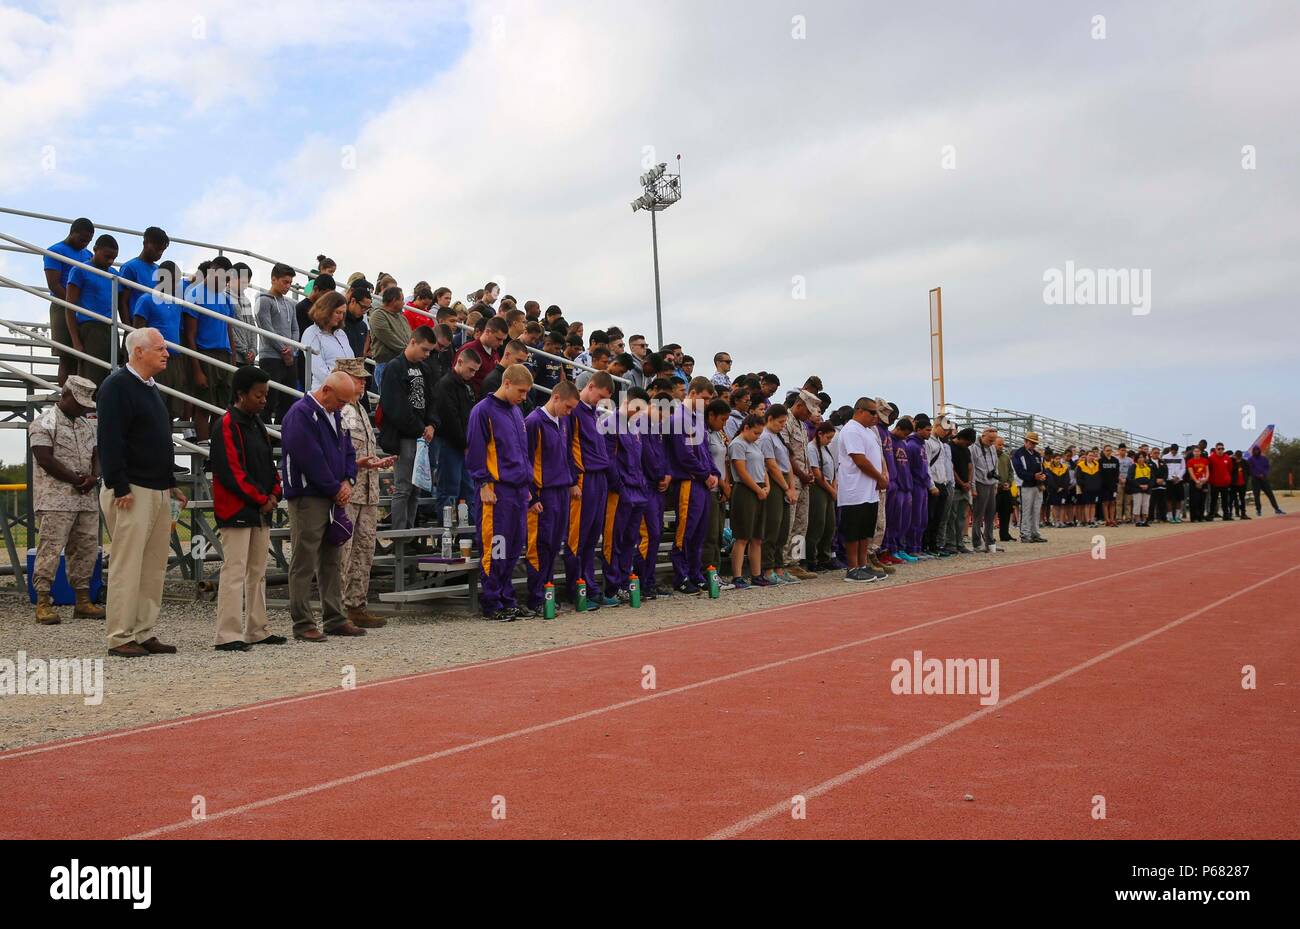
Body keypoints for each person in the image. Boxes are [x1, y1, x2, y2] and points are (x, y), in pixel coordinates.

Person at [97, 328, 187, 657]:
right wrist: (119, 484)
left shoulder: (151, 389)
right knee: (127, 564)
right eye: (160, 349)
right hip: (131, 489)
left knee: (153, 566)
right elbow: (110, 439)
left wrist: (170, 483)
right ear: (138, 352)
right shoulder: (117, 386)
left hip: (157, 488)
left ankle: (143, 629)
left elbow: (156, 442)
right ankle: (120, 636)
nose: (167, 354)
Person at [281, 371, 364, 641]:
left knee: (332, 559)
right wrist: (335, 487)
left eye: (345, 403)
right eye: (340, 401)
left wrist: (349, 480)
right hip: (308, 496)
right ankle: (303, 622)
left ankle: (335, 617)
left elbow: (349, 451)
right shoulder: (300, 414)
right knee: (304, 559)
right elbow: (309, 458)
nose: (342, 407)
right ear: (326, 390)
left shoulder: (336, 414)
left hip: (331, 495)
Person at [210, 365, 284, 652]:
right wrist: (260, 497)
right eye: (258, 395)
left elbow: (269, 463)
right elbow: (231, 471)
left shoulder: (257, 424)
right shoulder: (226, 425)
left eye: (266, 395)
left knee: (258, 570)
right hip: (237, 509)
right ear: (241, 394)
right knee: (235, 570)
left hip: (260, 508)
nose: (264, 400)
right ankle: (227, 633)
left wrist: (275, 492)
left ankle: (257, 627)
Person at [28, 376, 103, 625]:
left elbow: (96, 454)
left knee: (86, 549)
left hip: (85, 499)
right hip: (55, 499)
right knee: (50, 549)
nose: (83, 408)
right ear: (66, 395)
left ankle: (82, 600)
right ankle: (43, 602)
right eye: (79, 402)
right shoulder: (44, 422)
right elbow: (44, 458)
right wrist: (76, 479)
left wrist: (94, 477)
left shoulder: (86, 424)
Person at [466, 364, 534, 621]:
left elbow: (523, 451)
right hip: (495, 490)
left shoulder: (516, 412)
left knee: (515, 546)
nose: (524, 397)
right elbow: (475, 450)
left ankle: (507, 597)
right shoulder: (482, 411)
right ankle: (492, 601)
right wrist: (483, 484)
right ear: (506, 383)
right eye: (521, 391)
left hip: (518, 490)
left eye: (527, 392)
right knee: (497, 546)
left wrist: (527, 485)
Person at [335, 358, 395, 628]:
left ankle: (356, 604)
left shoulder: (358, 408)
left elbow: (362, 450)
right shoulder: (339, 410)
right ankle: (337, 609)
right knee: (344, 553)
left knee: (364, 550)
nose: (363, 382)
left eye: (362, 379)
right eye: (358, 378)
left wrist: (377, 463)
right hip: (348, 491)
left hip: (368, 491)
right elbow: (339, 452)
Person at [563, 372, 619, 609]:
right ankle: (576, 589)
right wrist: (572, 480)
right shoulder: (573, 411)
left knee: (591, 538)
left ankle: (591, 587)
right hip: (583, 479)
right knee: (578, 538)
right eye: (600, 397)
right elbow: (566, 448)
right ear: (591, 386)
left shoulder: (593, 414)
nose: (600, 402)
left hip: (599, 479)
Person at [524, 380, 579, 615]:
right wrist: (532, 496)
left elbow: (567, 454)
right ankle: (536, 596)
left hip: (561, 490)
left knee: (555, 544)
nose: (569, 412)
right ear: (555, 398)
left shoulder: (563, 421)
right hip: (543, 493)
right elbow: (527, 460)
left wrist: (572, 481)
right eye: (567, 407)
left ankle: (547, 591)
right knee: (539, 545)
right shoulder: (534, 422)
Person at [377, 327, 439, 532]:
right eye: (424, 349)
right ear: (412, 342)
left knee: (415, 489)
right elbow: (395, 406)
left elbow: (432, 400)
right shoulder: (395, 367)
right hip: (404, 436)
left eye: (430, 351)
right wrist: (420, 428)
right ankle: (399, 534)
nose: (426, 354)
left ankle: (409, 533)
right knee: (403, 487)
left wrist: (431, 424)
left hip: (421, 436)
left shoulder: (425, 368)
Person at [665, 377, 722, 594]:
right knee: (685, 531)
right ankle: (681, 575)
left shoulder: (698, 419)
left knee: (699, 532)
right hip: (688, 482)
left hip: (701, 483)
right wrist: (705, 474)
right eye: (705, 398)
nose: (707, 403)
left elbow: (704, 451)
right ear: (693, 393)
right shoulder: (679, 417)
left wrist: (714, 472)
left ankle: (695, 573)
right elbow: (684, 455)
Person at [602, 389, 654, 601]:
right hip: (620, 492)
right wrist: (620, 487)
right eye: (638, 408)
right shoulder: (610, 425)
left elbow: (637, 460)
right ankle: (612, 587)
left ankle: (624, 581)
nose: (641, 413)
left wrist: (641, 485)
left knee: (629, 540)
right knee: (613, 540)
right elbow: (610, 460)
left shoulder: (634, 428)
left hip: (637, 490)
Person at [182, 257, 238, 442]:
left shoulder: (226, 299)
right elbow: (190, 335)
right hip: (204, 354)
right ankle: (205, 449)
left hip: (224, 356)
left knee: (222, 407)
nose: (225, 283)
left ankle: (217, 448)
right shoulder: (194, 294)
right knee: (204, 406)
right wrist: (197, 369)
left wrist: (233, 360)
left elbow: (230, 332)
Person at [835, 398, 888, 582]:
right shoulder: (851, 430)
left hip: (869, 490)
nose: (875, 416)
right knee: (853, 531)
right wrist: (879, 477)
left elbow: (877, 456)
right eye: (872, 412)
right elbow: (859, 459)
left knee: (865, 531)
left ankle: (863, 565)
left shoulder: (869, 431)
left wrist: (884, 474)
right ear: (859, 411)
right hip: (854, 490)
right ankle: (852, 568)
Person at [430, 347, 482, 525]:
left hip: (463, 445)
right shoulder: (446, 385)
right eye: (471, 370)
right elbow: (450, 419)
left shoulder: (466, 385)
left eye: (476, 371)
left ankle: (466, 532)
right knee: (449, 490)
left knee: (467, 489)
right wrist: (465, 443)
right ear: (459, 362)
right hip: (450, 444)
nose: (473, 374)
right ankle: (444, 533)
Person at [64, 234, 120, 386]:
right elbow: (69, 308)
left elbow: (120, 304)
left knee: (111, 377)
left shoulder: (115, 274)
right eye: (107, 256)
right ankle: (87, 410)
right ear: (95, 250)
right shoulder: (80, 270)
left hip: (111, 328)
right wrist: (76, 341)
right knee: (90, 380)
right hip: (89, 328)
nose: (110, 261)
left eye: (113, 258)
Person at [44, 217, 95, 385]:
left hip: (84, 310)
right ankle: (65, 397)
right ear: (72, 232)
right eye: (82, 239)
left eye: (88, 241)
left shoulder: (88, 254)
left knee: (82, 357)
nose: (84, 244)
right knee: (67, 356)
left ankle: (79, 400)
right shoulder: (55, 251)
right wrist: (72, 303)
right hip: (63, 306)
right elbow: (53, 284)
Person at [780, 390, 821, 580]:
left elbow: (803, 453)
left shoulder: (802, 425)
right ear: (799, 406)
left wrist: (809, 473)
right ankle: (784, 563)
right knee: (788, 522)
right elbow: (786, 454)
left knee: (801, 524)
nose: (809, 416)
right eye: (807, 411)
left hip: (804, 479)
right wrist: (802, 474)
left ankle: (795, 562)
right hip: (792, 479)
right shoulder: (786, 421)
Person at [255, 262, 301, 424]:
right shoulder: (263, 301)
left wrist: (292, 350)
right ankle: (265, 437)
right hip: (271, 358)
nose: (288, 286)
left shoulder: (290, 304)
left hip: (289, 358)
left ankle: (280, 438)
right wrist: (285, 351)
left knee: (288, 401)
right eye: (285, 282)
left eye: (290, 282)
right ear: (274, 279)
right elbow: (266, 330)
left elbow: (296, 329)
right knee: (269, 400)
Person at [759, 404, 799, 585]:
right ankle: (767, 568)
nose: (783, 425)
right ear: (770, 419)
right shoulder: (765, 437)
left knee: (783, 528)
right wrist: (786, 488)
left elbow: (787, 464)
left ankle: (779, 566)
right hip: (775, 483)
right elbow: (772, 466)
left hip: (785, 481)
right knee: (773, 526)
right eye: (780, 422)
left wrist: (792, 487)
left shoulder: (777, 437)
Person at [116, 227, 169, 338]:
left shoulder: (160, 270)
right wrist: (129, 330)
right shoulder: (130, 267)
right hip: (137, 326)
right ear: (145, 243)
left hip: (156, 329)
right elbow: (122, 301)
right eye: (157, 249)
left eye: (162, 250)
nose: (160, 253)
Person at [702, 398, 732, 580]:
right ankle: (708, 572)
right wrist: (722, 484)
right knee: (710, 534)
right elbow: (708, 462)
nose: (723, 424)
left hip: (721, 488)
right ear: (711, 415)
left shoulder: (719, 434)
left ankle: (716, 572)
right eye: (722, 419)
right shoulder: (704, 434)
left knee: (719, 534)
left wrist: (726, 483)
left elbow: (724, 461)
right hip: (711, 488)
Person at [302, 292, 354, 393]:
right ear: (326, 311)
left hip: (344, 391)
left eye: (343, 313)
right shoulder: (311, 333)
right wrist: (343, 384)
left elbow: (351, 361)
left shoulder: (341, 333)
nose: (341, 317)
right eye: (338, 312)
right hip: (325, 392)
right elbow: (319, 370)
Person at [806, 421, 839, 572]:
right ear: (819, 434)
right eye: (828, 437)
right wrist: (830, 489)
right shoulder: (812, 448)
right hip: (819, 489)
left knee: (829, 525)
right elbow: (817, 474)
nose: (829, 441)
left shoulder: (825, 449)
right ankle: (812, 558)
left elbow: (832, 470)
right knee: (817, 524)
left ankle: (824, 556)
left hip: (829, 488)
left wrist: (833, 486)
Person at [882, 416, 915, 561]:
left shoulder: (903, 443)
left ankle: (901, 548)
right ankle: (891, 549)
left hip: (906, 486)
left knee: (905, 521)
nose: (906, 437)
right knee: (893, 521)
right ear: (899, 428)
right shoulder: (888, 440)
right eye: (905, 434)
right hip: (896, 485)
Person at [367, 286, 412, 391]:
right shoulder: (378, 315)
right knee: (389, 403)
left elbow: (410, 337)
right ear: (393, 300)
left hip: (403, 364)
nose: (403, 303)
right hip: (386, 365)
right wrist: (410, 352)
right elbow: (390, 339)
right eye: (401, 299)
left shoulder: (402, 317)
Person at [904, 415, 936, 558]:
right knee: (915, 518)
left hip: (923, 486)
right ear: (919, 430)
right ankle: (912, 548)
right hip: (915, 486)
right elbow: (909, 468)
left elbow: (925, 467)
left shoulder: (921, 445)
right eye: (927, 430)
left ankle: (918, 547)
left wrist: (929, 484)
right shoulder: (911, 446)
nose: (929, 433)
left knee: (923, 519)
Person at [456, 316, 508, 398]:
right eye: (498, 339)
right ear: (487, 332)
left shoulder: (495, 353)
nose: (501, 343)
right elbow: (457, 378)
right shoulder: (468, 349)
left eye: (503, 340)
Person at [1011, 431, 1047, 542]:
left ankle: (1035, 533)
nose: (1033, 445)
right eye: (1031, 442)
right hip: (1025, 485)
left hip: (1037, 486)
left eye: (1035, 443)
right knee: (1026, 511)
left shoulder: (1037, 455)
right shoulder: (1018, 454)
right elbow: (1019, 471)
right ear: (1025, 441)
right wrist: (1033, 476)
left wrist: (1043, 476)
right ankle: (1025, 534)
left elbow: (1042, 468)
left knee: (1036, 510)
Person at [970, 428, 1001, 553]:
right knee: (978, 514)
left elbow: (995, 466)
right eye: (990, 440)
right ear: (982, 436)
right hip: (979, 483)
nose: (991, 442)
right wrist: (973, 488)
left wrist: (996, 484)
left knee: (991, 514)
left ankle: (990, 541)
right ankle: (977, 543)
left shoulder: (992, 448)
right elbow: (971, 469)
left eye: (993, 440)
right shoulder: (973, 448)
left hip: (991, 483)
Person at [944, 428, 975, 554]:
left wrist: (968, 482)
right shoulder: (949, 447)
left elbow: (970, 466)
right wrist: (962, 483)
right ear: (961, 438)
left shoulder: (966, 450)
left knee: (962, 517)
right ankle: (951, 543)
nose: (967, 446)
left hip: (964, 487)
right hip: (955, 487)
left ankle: (960, 542)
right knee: (952, 516)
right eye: (967, 443)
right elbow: (951, 468)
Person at [227, 262, 258, 367]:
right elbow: (229, 328)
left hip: (249, 358)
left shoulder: (247, 301)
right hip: (235, 356)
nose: (246, 286)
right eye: (244, 282)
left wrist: (253, 350)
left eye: (248, 282)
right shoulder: (224, 298)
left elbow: (252, 326)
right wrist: (244, 351)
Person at [1248, 444, 1285, 516]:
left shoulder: (1264, 458)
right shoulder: (1250, 459)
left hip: (1264, 479)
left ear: (1259, 450)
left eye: (1257, 450)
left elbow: (1267, 467)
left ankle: (1276, 509)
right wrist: (1257, 475)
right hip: (1255, 479)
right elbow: (1250, 469)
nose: (1256, 451)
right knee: (1257, 495)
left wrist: (1264, 474)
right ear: (1253, 451)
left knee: (1270, 494)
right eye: (1255, 450)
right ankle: (1258, 510)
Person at [995, 435, 1015, 542]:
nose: (1001, 447)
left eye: (1002, 444)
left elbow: (1011, 472)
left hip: (1005, 489)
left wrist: (1009, 482)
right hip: (994, 489)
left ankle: (1004, 534)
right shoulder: (990, 456)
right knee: (991, 513)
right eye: (999, 444)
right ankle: (988, 536)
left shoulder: (1006, 457)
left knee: (1006, 512)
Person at [1128, 450, 1153, 527]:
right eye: (1139, 457)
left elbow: (1152, 478)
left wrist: (1148, 485)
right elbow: (1130, 478)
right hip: (1137, 489)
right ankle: (1137, 521)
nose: (1141, 459)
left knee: (1146, 505)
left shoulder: (1148, 467)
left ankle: (1145, 520)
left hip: (1147, 489)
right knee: (1137, 504)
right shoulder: (1133, 466)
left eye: (1142, 457)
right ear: (1136, 459)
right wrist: (1139, 485)